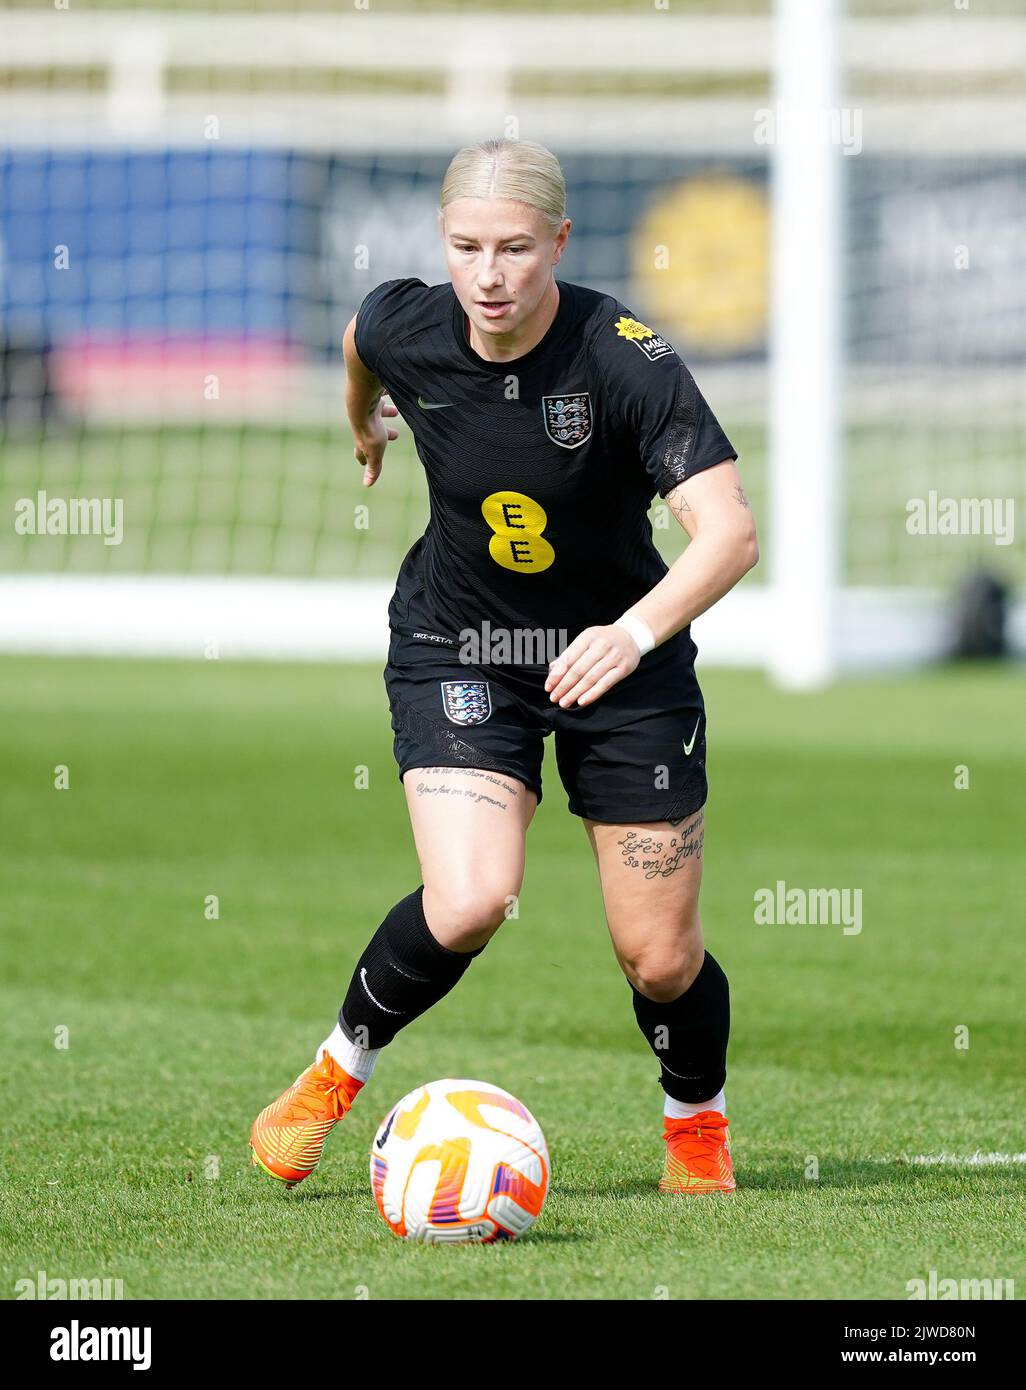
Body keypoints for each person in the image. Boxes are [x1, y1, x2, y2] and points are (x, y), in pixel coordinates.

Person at [251, 138, 758, 1197]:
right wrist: (363, 423)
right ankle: (335, 1073)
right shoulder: (409, 322)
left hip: (622, 660)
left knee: (659, 958)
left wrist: (631, 634)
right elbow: (359, 340)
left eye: (516, 248)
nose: (488, 274)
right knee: (474, 895)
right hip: (461, 643)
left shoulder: (623, 358)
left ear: (559, 242)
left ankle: (695, 1126)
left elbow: (728, 535)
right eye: (466, 247)